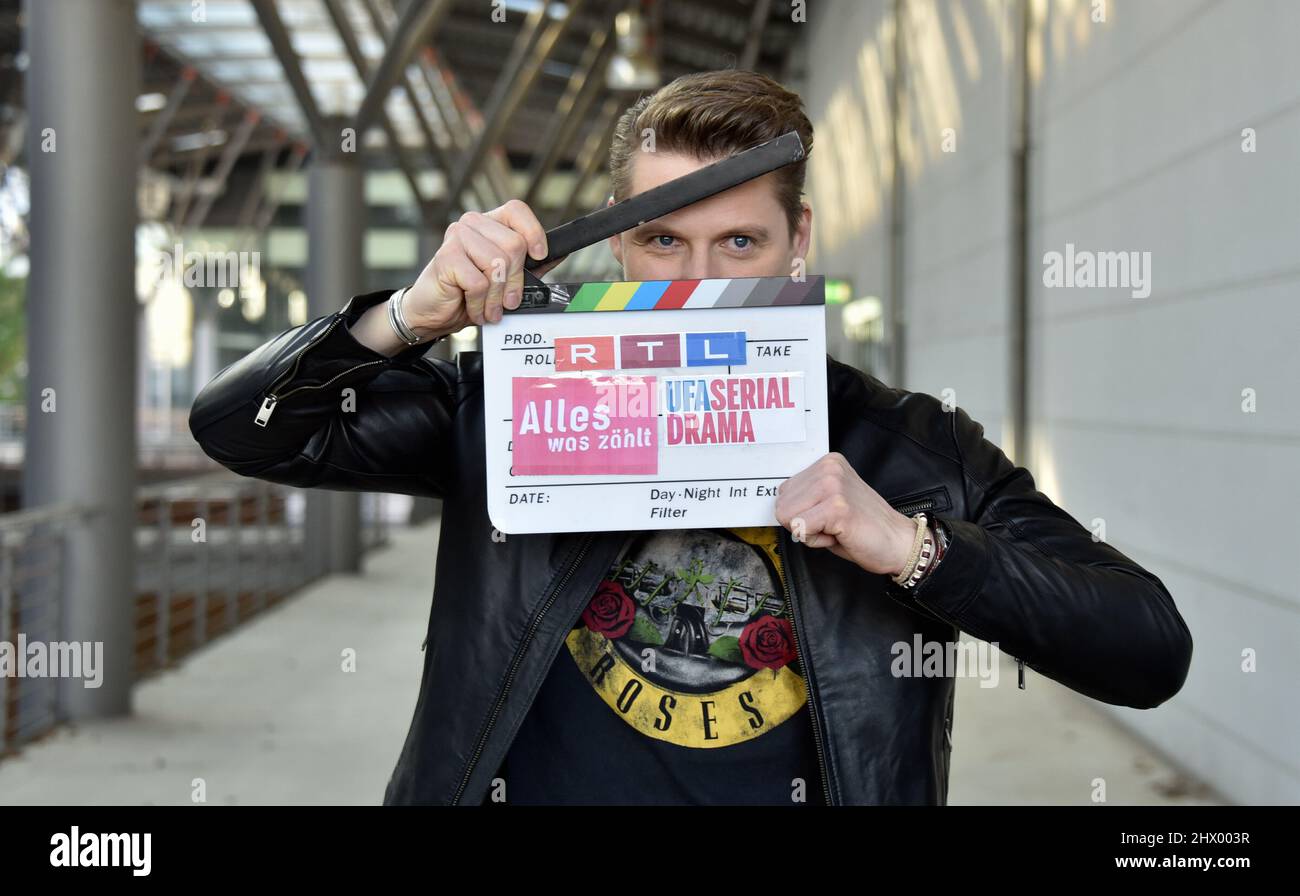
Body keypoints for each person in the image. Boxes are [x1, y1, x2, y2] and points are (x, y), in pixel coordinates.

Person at [189, 70, 1193, 806]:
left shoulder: (912, 449)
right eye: (663, 240)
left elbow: (1146, 646)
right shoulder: (501, 400)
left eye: (739, 244)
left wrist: (914, 548)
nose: (697, 279)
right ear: (619, 243)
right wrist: (408, 315)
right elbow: (246, 428)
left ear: (799, 242)